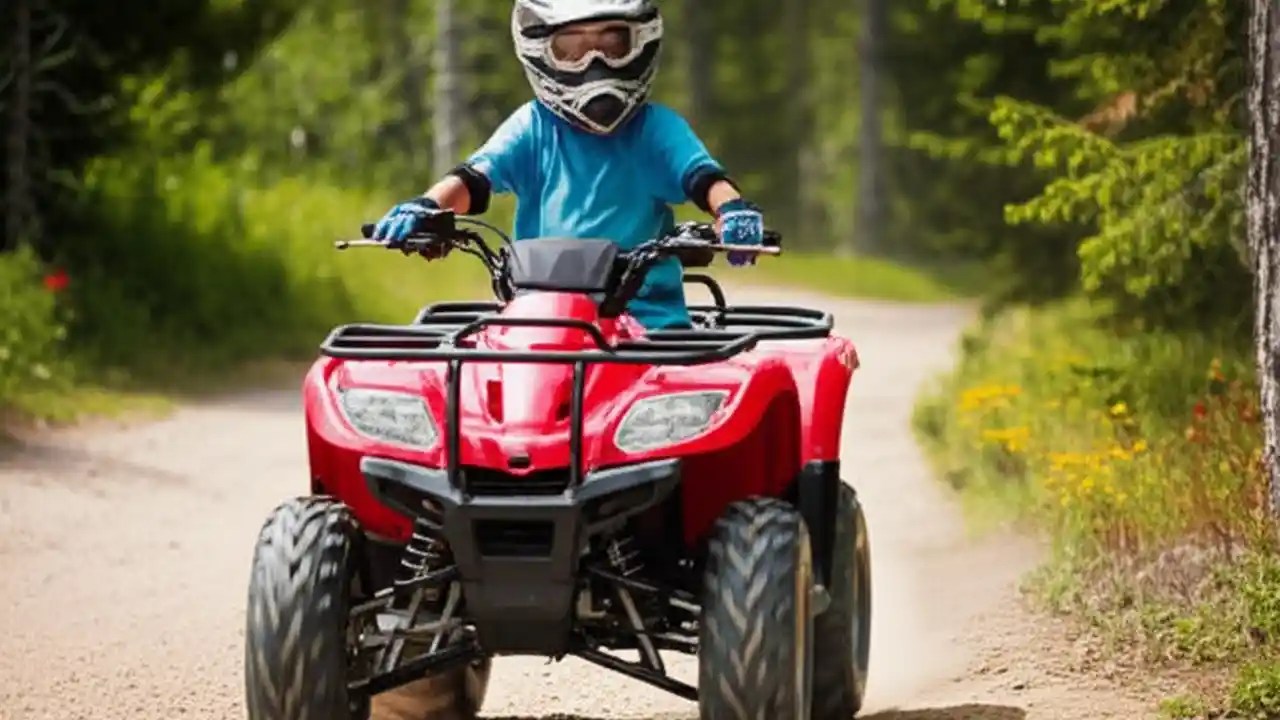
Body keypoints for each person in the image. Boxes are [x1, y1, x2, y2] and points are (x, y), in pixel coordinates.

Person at [370, 0, 767, 330]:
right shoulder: (532, 127)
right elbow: (474, 179)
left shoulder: (655, 129)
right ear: (540, 50)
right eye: (572, 49)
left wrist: (732, 210)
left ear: (640, 43)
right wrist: (426, 206)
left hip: (649, 322)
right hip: (537, 320)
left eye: (612, 45)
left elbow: (703, 179)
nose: (595, 62)